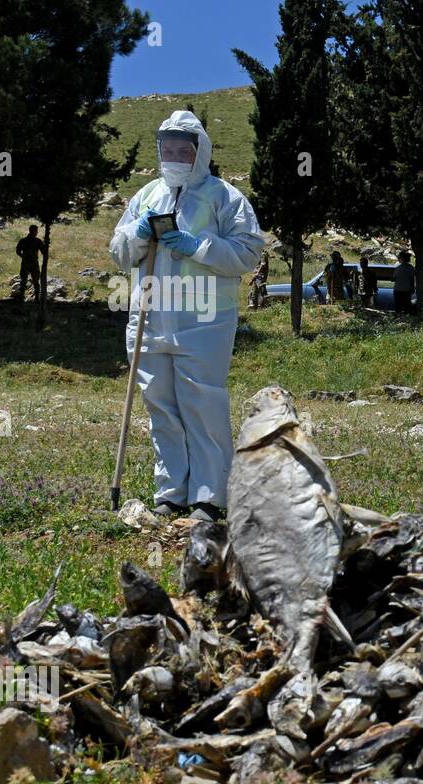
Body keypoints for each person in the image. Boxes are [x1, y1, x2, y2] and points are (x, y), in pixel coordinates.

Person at [109, 110, 264, 522]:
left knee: (202, 404)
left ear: (200, 152)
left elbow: (248, 253)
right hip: (150, 319)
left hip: (204, 321)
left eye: (184, 149)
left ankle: (210, 499)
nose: (175, 156)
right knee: (161, 407)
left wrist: (198, 245)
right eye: (168, 149)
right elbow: (119, 252)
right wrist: (137, 234)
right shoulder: (145, 197)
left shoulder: (225, 197)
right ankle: (172, 493)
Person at [15, 225, 45, 303]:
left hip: (28, 263)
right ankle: (35, 299)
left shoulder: (24, 240)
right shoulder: (37, 241)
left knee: (26, 281)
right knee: (32, 281)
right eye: (36, 231)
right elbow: (44, 252)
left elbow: (18, 251)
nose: (37, 232)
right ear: (33, 231)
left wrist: (23, 256)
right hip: (32, 263)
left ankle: (26, 299)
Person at [393, 250, 415, 314]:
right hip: (407, 289)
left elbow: (394, 278)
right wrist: (412, 288)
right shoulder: (411, 268)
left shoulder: (398, 268)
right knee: (407, 305)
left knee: (398, 305)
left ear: (401, 259)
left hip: (398, 289)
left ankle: (397, 317)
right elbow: (412, 279)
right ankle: (407, 317)